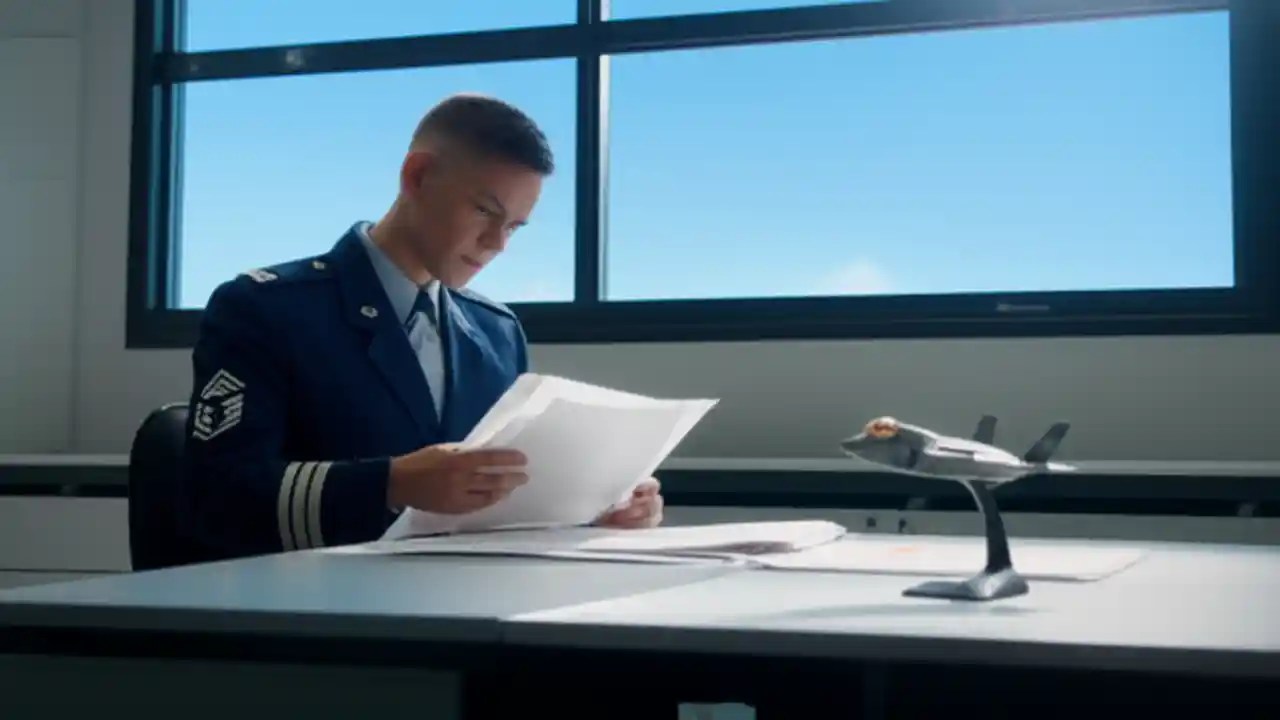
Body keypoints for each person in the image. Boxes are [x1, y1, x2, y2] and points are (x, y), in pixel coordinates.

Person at [178, 93, 663, 561]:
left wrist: (594, 511)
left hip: (469, 601)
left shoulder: (497, 333)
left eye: (514, 226)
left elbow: (503, 506)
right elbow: (218, 499)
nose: (497, 243)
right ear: (418, 176)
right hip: (315, 604)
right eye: (484, 211)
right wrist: (391, 484)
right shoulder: (267, 308)